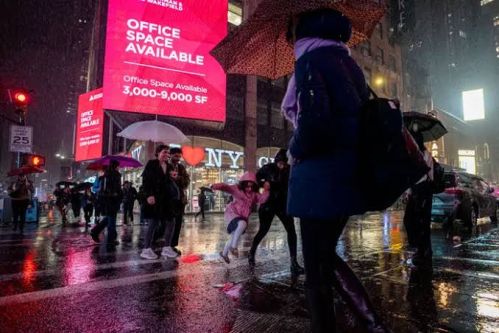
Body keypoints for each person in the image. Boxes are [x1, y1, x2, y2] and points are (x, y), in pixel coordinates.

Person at [284, 9, 389, 332]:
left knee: (316, 268)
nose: (290, 42)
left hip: (319, 175)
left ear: (304, 34)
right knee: (324, 256)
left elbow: (315, 122)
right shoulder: (348, 63)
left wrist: (294, 150)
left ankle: (359, 325)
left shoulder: (311, 61)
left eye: (292, 35)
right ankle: (371, 323)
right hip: (345, 174)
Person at [249, 149, 304, 275]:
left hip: (283, 205)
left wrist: (272, 184)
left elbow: (288, 185)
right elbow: (256, 178)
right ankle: (252, 251)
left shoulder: (290, 170)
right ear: (276, 161)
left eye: (284, 163)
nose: (282, 166)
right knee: (263, 230)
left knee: (291, 231)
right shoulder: (267, 168)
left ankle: (293, 263)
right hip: (268, 204)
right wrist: (263, 183)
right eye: (280, 163)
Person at [212, 172, 270, 264]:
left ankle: (224, 254)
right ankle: (233, 247)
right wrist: (215, 186)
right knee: (242, 224)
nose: (249, 188)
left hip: (243, 216)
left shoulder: (254, 194)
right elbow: (225, 187)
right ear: (243, 184)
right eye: (247, 186)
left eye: (252, 186)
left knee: (234, 236)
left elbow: (262, 199)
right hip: (233, 213)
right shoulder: (236, 189)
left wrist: (266, 190)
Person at [140, 145, 178, 260]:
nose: (166, 155)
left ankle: (166, 248)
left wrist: (173, 177)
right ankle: (146, 249)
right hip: (155, 198)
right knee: (153, 223)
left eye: (168, 153)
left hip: (166, 199)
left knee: (171, 221)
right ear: (158, 153)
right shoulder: (152, 164)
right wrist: (149, 195)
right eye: (164, 152)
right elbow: (146, 180)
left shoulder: (169, 166)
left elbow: (168, 182)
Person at [403, 129, 434, 266]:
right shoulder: (412, 154)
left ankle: (424, 251)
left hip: (423, 190)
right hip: (418, 190)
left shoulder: (425, 154)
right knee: (412, 220)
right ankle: (421, 249)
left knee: (421, 222)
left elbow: (427, 174)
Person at [90, 160, 123, 245]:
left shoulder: (106, 176)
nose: (119, 168)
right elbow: (115, 190)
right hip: (112, 200)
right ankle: (111, 239)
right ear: (116, 166)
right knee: (111, 220)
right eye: (118, 166)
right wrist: (117, 194)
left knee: (109, 218)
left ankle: (95, 231)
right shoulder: (114, 175)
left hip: (108, 201)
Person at [169, 147, 190, 255]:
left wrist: (178, 178)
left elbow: (187, 182)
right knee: (167, 223)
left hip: (180, 199)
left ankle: (172, 245)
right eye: (175, 156)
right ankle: (164, 244)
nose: (177, 158)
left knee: (177, 223)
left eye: (179, 156)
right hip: (168, 199)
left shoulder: (181, 167)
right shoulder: (166, 166)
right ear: (170, 155)